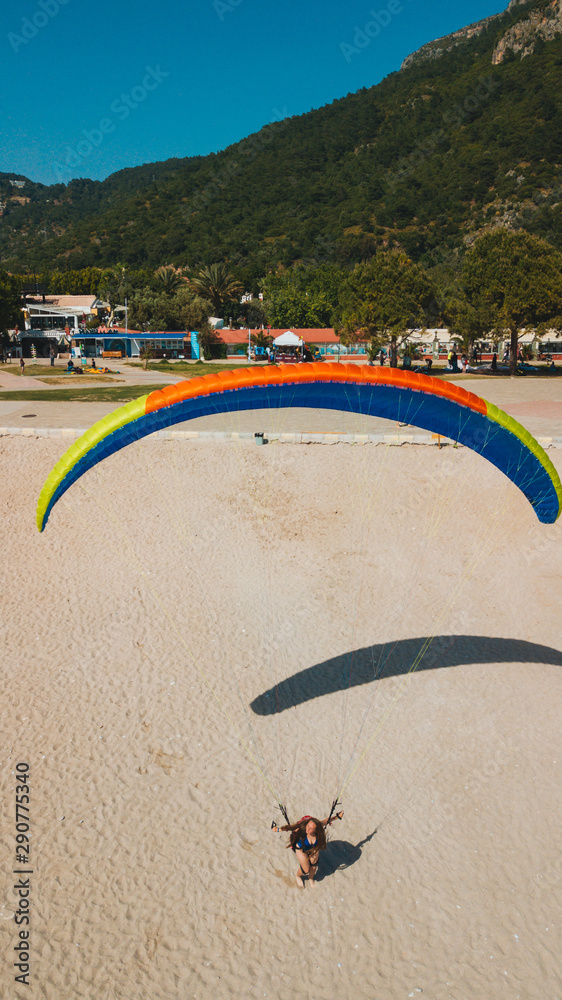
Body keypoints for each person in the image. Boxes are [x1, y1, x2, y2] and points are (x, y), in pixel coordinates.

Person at [272, 810, 344, 888]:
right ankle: (298, 876)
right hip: (301, 848)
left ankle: (310, 878)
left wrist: (337, 816)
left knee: (314, 865)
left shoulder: (319, 828)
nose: (308, 829)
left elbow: (327, 820)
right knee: (306, 869)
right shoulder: (301, 828)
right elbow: (289, 828)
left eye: (311, 828)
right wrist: (277, 829)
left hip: (313, 848)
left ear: (316, 830)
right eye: (308, 826)